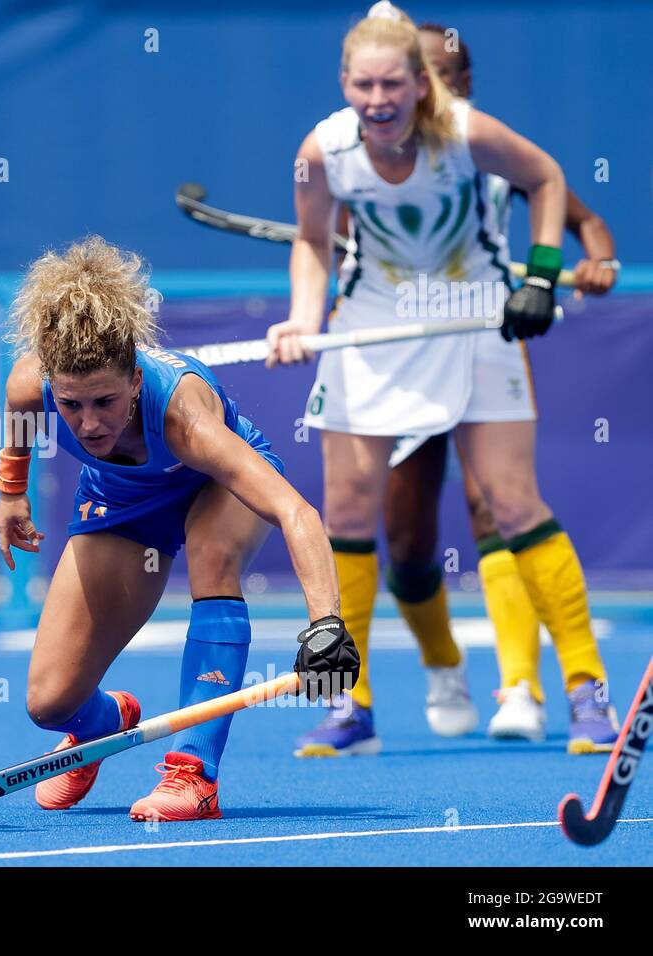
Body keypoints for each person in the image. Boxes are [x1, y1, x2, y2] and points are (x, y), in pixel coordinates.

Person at [264, 3, 618, 757]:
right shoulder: (323, 151)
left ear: (421, 84)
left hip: (475, 321)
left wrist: (543, 277)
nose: (377, 101)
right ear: (344, 82)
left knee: (515, 504)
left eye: (392, 83)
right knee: (350, 515)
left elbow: (549, 178)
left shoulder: (463, 133)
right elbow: (313, 242)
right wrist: (301, 318)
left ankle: (588, 693)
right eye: (362, 85)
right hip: (370, 329)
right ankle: (347, 705)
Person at [0, 236, 358, 822]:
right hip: (123, 503)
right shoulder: (30, 382)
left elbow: (298, 512)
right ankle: (107, 724)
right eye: (71, 405)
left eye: (106, 402)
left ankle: (193, 776)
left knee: (211, 551)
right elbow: (20, 416)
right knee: (49, 701)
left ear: (135, 378)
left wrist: (325, 627)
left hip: (209, 487)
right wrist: (11, 493)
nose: (89, 425)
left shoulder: (186, 420)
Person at [369, 21, 620, 748]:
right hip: (404, 355)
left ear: (462, 84)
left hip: (486, 339)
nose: (425, 88)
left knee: (497, 508)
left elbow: (587, 219)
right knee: (407, 543)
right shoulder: (372, 156)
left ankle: (525, 687)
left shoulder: (490, 148)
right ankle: (444, 665)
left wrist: (598, 259)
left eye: (440, 74)